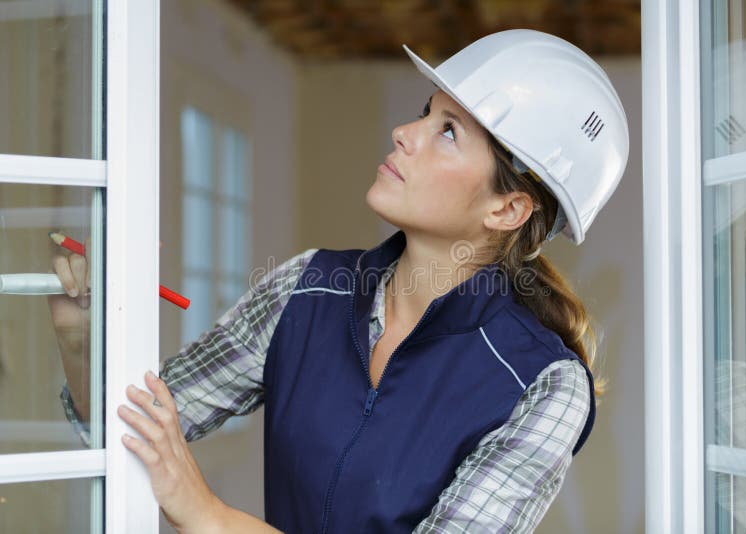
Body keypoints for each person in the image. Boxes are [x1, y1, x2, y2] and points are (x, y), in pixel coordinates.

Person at [48, 29, 629, 533]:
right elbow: (128, 433)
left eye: (448, 131)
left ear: (507, 210)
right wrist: (81, 341)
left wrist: (205, 515)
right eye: (428, 112)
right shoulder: (306, 287)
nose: (405, 131)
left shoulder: (544, 387)